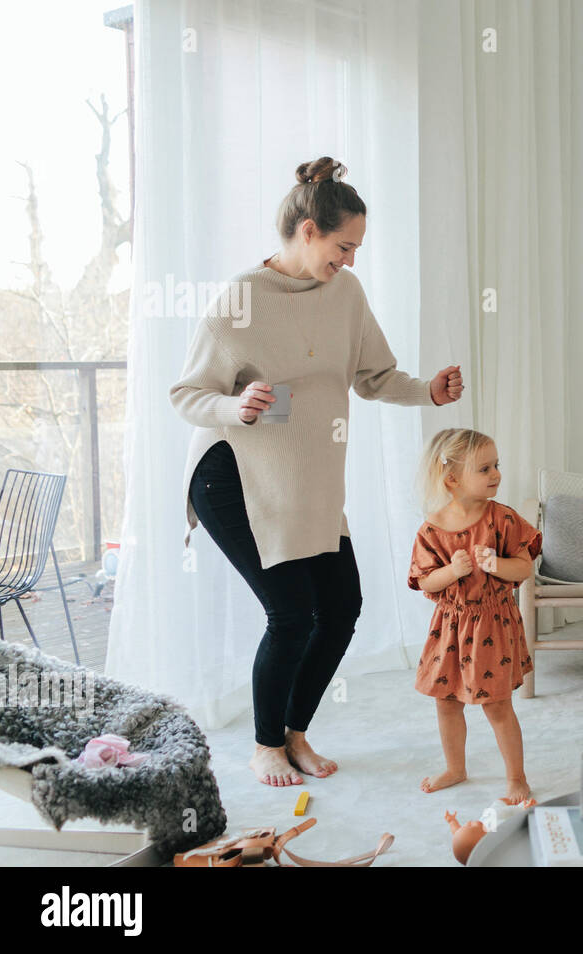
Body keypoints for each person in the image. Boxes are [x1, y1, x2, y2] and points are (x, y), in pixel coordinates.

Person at [170, 157, 464, 787]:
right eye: (343, 246)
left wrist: (428, 393)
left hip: (306, 473)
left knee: (341, 606)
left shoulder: (345, 294)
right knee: (292, 613)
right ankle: (263, 745)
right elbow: (189, 392)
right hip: (234, 473)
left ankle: (294, 732)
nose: (350, 260)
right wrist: (235, 403)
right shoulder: (241, 301)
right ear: (307, 230)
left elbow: (374, 376)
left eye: (356, 248)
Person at [407, 427, 541, 805]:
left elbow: (524, 568)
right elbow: (426, 582)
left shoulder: (504, 519)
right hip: (449, 627)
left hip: (492, 624)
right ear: (452, 478)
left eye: (496, 465)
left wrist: (497, 564)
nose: (496, 474)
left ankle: (517, 777)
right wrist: (452, 572)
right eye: (484, 469)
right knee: (445, 701)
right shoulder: (431, 528)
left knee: (497, 704)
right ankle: (455, 768)